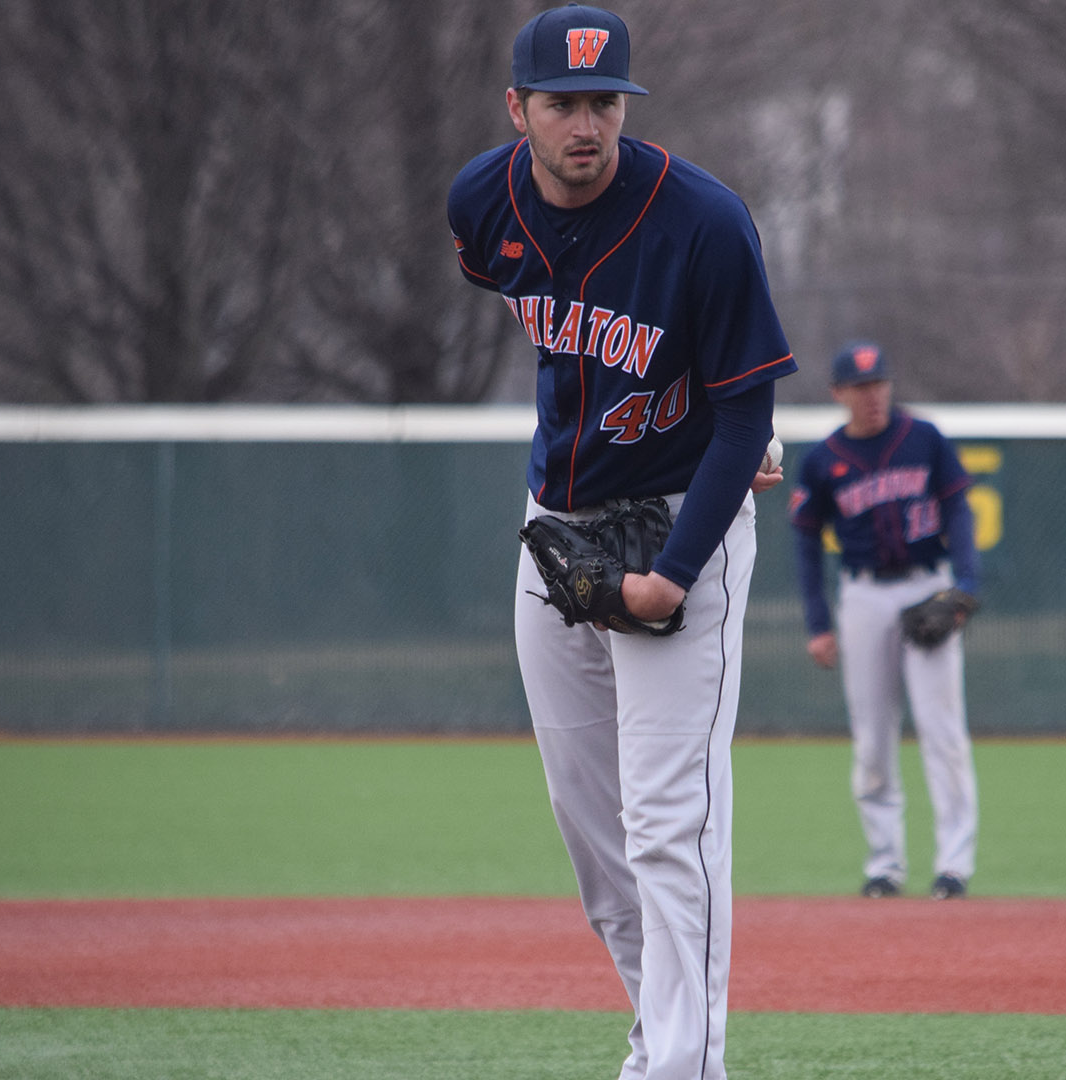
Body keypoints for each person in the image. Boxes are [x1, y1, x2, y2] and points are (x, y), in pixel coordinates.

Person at [446, 6, 796, 1078]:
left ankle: (685, 1066)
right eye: (563, 103)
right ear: (519, 109)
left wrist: (674, 575)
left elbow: (745, 414)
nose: (587, 124)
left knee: (667, 824)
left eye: (605, 102)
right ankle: (665, 1045)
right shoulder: (481, 202)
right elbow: (561, 333)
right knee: (596, 838)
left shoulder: (704, 221)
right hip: (558, 533)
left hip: (683, 524)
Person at [787, 341, 981, 901]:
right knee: (872, 736)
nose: (872, 395)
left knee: (943, 732)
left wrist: (965, 585)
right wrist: (818, 623)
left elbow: (959, 509)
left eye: (879, 384)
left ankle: (954, 866)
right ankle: (884, 865)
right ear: (839, 393)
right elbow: (804, 542)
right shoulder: (823, 459)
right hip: (864, 596)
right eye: (860, 387)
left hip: (927, 586)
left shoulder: (926, 439)